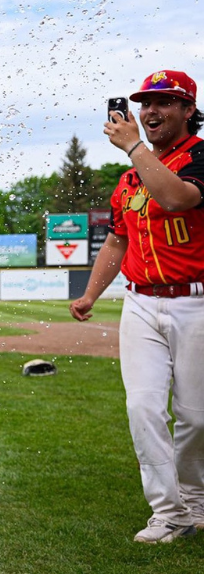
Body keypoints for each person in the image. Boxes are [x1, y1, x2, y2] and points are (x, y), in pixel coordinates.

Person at [70, 69, 204, 544]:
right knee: (143, 408)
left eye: (165, 102)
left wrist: (133, 147)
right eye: (145, 103)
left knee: (196, 416)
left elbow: (177, 197)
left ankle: (195, 498)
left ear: (189, 110)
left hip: (196, 303)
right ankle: (169, 512)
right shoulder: (129, 178)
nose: (150, 111)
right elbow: (117, 239)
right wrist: (90, 293)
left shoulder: (199, 156)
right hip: (141, 303)